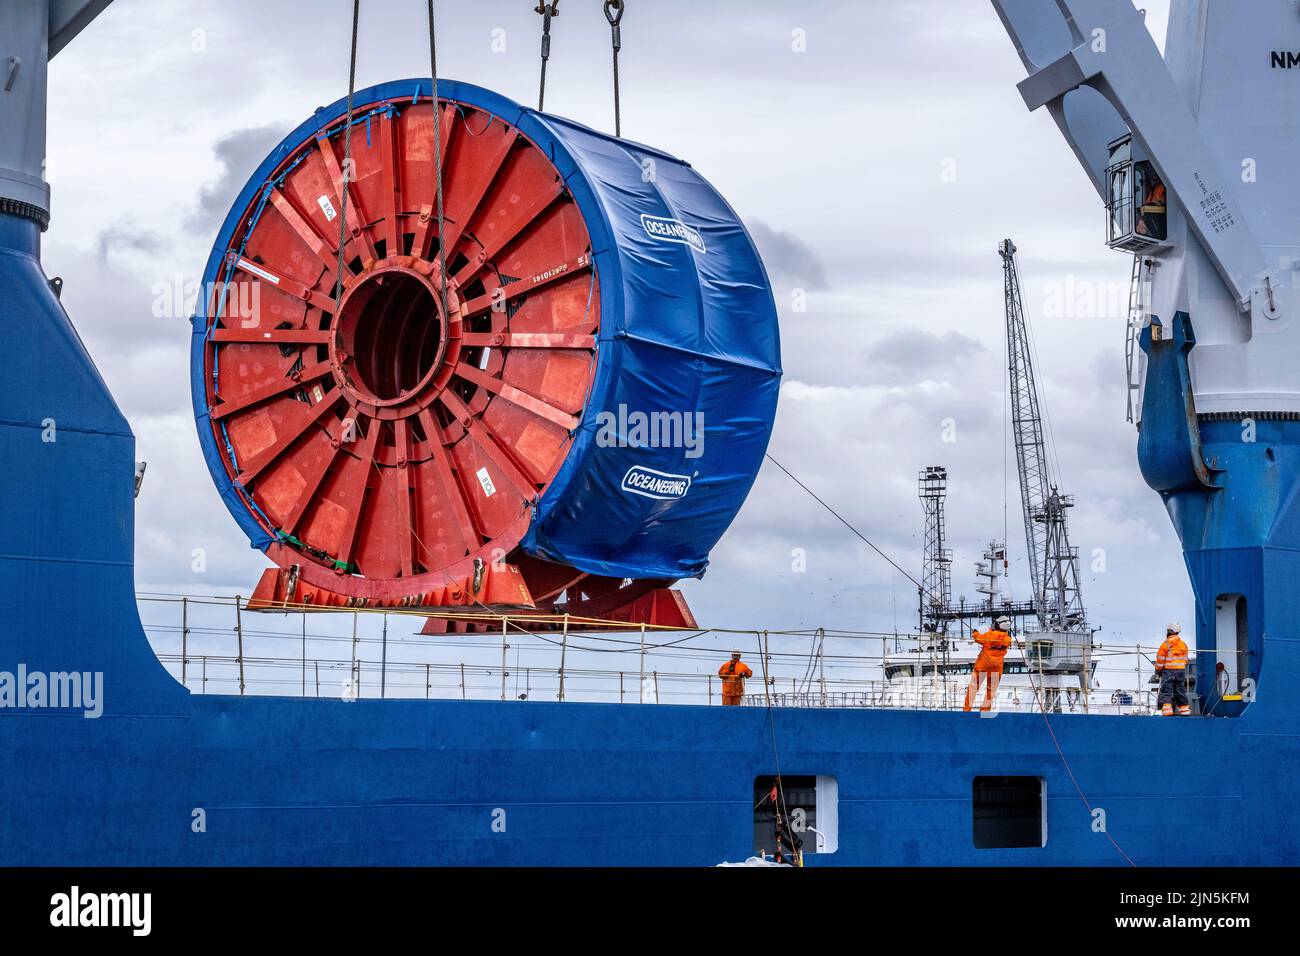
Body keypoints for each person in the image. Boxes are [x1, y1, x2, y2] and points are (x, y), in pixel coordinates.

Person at [965, 616, 1013, 712]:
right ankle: (985, 710)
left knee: (973, 688)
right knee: (990, 692)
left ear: (998, 625)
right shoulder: (1008, 640)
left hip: (982, 667)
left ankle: (967, 710)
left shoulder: (989, 635)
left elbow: (977, 637)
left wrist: (975, 631)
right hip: (996, 668)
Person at [1155, 623, 1191, 716]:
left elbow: (1160, 659)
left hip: (1168, 671)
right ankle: (1185, 711)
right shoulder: (1183, 644)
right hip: (1181, 671)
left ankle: (1168, 711)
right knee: (1180, 690)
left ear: (1169, 632)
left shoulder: (1166, 644)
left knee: (1166, 690)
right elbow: (1186, 660)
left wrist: (1158, 669)